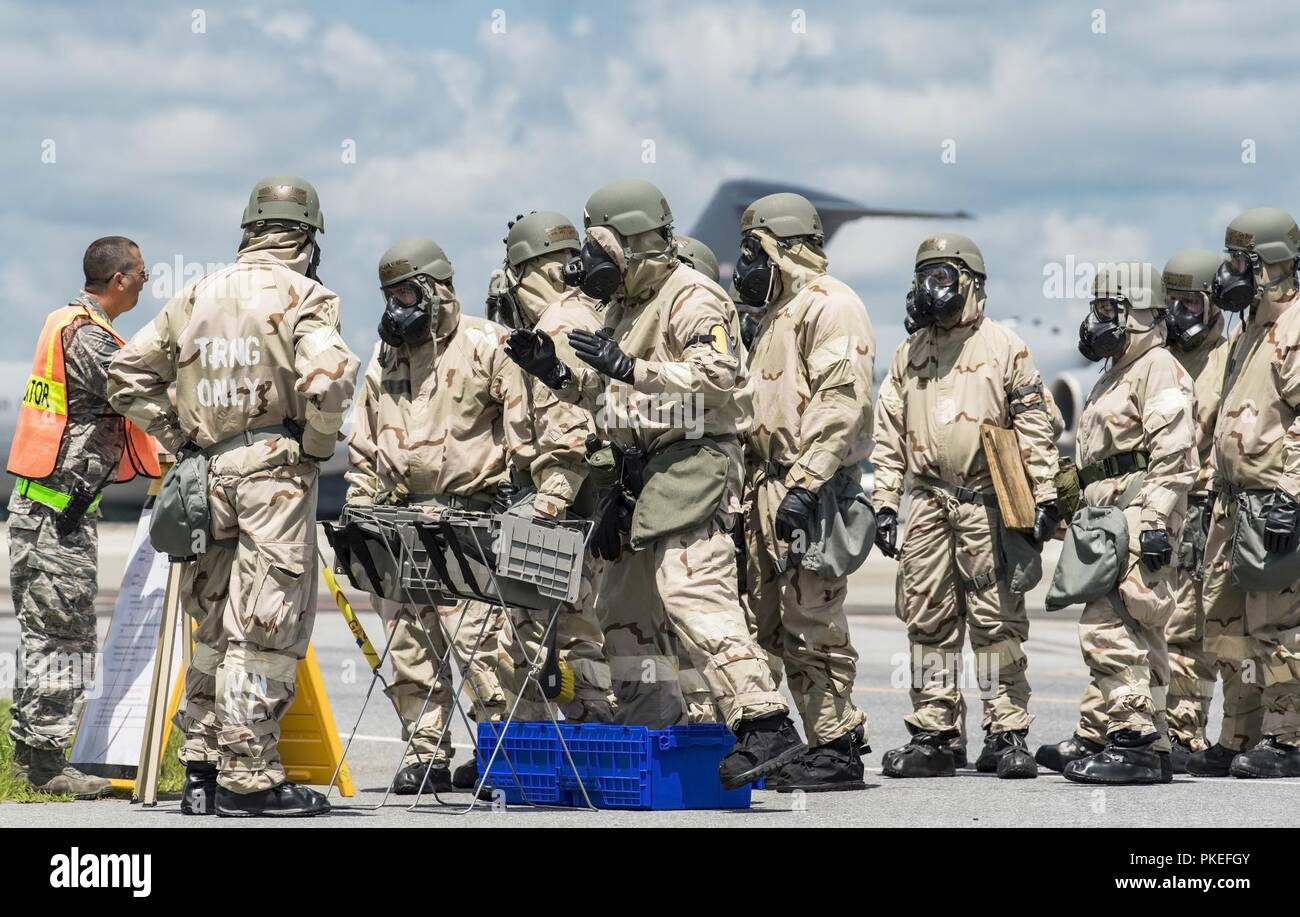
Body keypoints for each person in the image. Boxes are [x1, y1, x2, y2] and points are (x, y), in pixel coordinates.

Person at [503, 178, 802, 789]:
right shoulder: (621, 311)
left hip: (693, 461)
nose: (587, 261)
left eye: (598, 245)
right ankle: (650, 731)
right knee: (623, 610)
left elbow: (718, 377)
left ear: (631, 243)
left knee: (692, 589)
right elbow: (608, 399)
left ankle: (765, 723)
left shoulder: (692, 297)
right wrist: (559, 373)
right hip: (638, 473)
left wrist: (630, 366)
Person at [108, 175, 358, 816]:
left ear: (249, 230)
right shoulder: (307, 294)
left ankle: (202, 769)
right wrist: (318, 446)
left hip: (203, 474)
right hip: (273, 475)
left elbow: (125, 376)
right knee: (266, 624)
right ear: (305, 237)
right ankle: (249, 778)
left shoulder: (196, 293)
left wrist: (177, 432)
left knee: (213, 623)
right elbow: (329, 379)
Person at [346, 236, 543, 794]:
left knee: (480, 644)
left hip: (470, 520)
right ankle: (425, 752)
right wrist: (361, 510)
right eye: (389, 295)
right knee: (409, 643)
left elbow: (523, 436)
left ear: (435, 289)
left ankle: (498, 750)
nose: (395, 306)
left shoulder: (491, 345)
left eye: (406, 292)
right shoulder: (386, 357)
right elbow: (363, 442)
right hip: (400, 521)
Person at [871, 233, 1059, 779]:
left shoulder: (1006, 347)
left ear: (970, 283)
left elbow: (1035, 429)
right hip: (928, 503)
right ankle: (935, 733)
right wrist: (886, 504)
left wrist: (1043, 496)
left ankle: (1006, 732)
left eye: (942, 278)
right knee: (927, 620)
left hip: (987, 503)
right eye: (922, 278)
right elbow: (888, 435)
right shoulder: (910, 353)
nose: (930, 290)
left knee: (995, 620)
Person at [7, 236, 160, 798]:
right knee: (64, 638)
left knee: (50, 635)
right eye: (141, 272)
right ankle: (44, 767)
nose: (146, 280)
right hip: (57, 519)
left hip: (49, 512)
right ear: (119, 279)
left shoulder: (63, 323)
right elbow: (138, 390)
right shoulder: (89, 337)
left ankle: (31, 755)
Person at [732, 192, 875, 792]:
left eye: (751, 252)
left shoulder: (830, 305)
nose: (742, 268)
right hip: (766, 485)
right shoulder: (775, 315)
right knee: (763, 623)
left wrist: (806, 483)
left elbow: (842, 401)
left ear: (780, 248)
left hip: (807, 488)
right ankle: (791, 743)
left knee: (812, 618)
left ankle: (838, 746)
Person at [1038, 262, 1195, 785]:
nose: (1097, 321)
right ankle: (1149, 740)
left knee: (1107, 627)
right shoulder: (1118, 370)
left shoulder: (1157, 368)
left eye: (1110, 310)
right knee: (1139, 628)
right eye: (1097, 309)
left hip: (1137, 514)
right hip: (1114, 515)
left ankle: (1134, 743)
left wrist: (1152, 522)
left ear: (1141, 314)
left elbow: (1173, 454)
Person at [1196, 208, 1300, 778]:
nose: (1229, 274)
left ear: (1272, 266)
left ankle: (1287, 740)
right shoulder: (1247, 331)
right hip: (1233, 504)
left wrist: (1292, 494)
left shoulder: (1294, 327)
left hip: (1272, 502)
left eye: (1242, 262)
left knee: (1277, 626)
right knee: (1227, 626)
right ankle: (1240, 734)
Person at [1160, 249, 1233, 771]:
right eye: (1172, 301)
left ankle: (1188, 732)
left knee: (1195, 626)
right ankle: (1163, 729)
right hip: (1162, 507)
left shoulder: (1230, 360)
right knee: (1157, 623)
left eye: (1191, 301)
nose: (1180, 312)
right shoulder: (1156, 360)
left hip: (1207, 508)